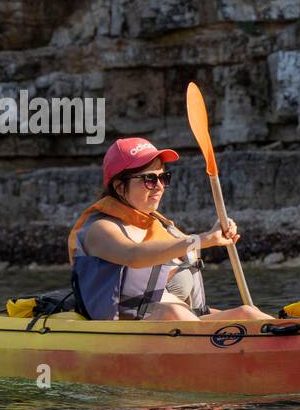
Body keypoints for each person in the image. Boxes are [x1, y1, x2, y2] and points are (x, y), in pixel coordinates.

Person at [67, 137, 271, 323]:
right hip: (132, 330)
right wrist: (203, 239)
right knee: (174, 313)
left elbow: (191, 245)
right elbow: (134, 255)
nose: (159, 186)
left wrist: (218, 231)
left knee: (248, 313)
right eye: (149, 179)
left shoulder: (164, 227)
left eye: (163, 177)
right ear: (120, 187)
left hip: (186, 322)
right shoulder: (100, 228)